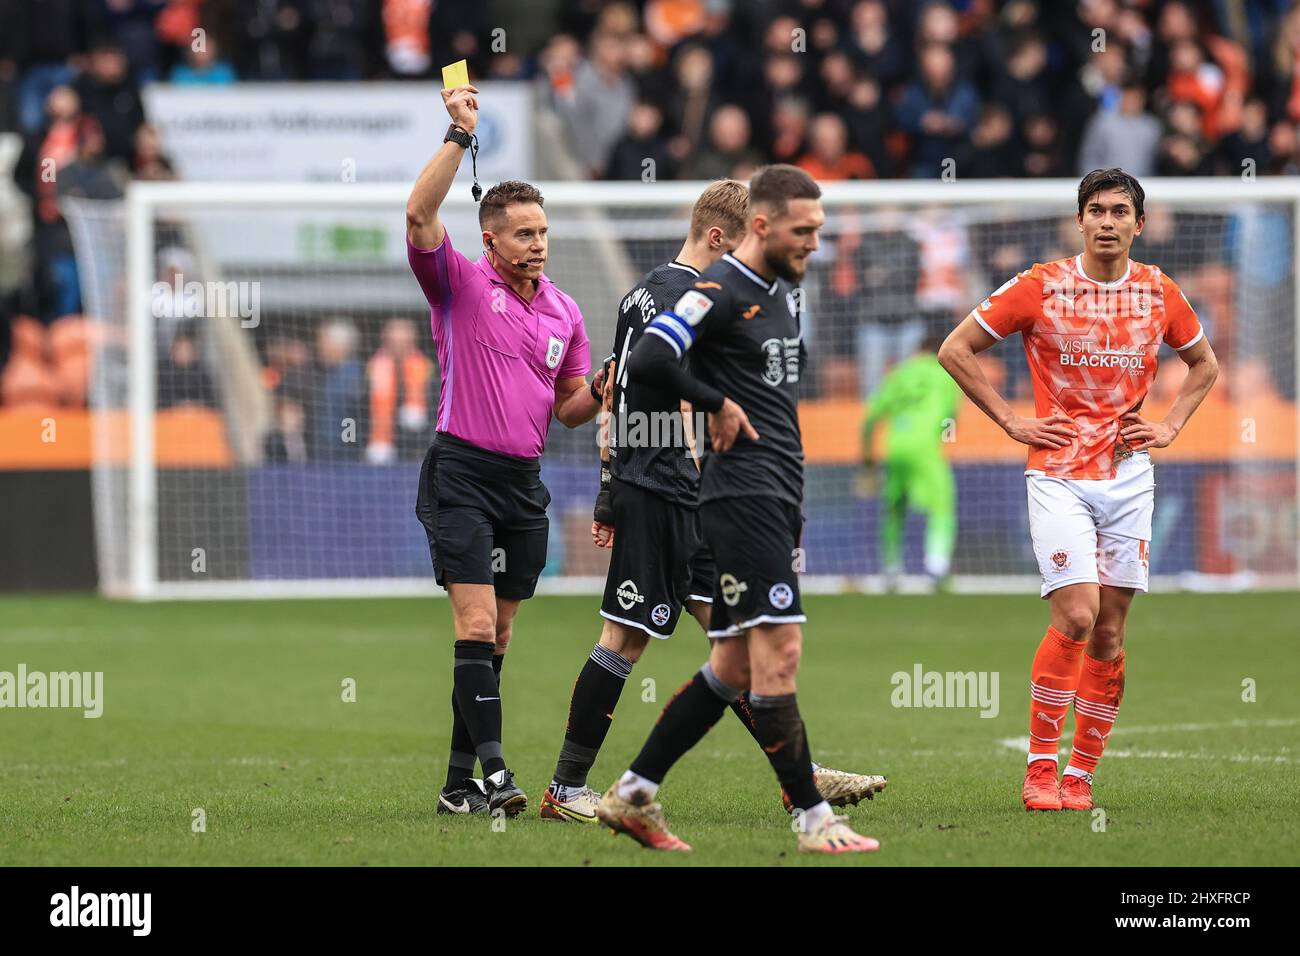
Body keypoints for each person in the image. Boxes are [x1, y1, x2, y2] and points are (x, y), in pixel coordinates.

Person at [540, 180, 886, 824]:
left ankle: (798, 778)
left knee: (735, 639)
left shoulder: (640, 292)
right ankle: (566, 787)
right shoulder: (688, 298)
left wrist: (610, 483)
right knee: (625, 638)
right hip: (671, 491)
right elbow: (662, 391)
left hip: (664, 488)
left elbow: (615, 398)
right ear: (722, 236)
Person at [937, 168, 1219, 811]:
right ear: (1081, 221)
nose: (1108, 221)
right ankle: (1040, 769)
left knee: (1111, 633)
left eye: (1121, 211)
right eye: (1097, 210)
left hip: (1128, 475)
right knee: (1077, 613)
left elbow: (1204, 363)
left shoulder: (1159, 292)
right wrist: (1011, 419)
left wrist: (1171, 425)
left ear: (1139, 225)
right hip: (1058, 470)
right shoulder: (1042, 285)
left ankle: (1080, 775)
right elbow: (956, 348)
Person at [405, 84, 608, 818]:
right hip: (460, 472)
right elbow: (419, 214)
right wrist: (458, 136)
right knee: (477, 625)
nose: (539, 243)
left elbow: (571, 410)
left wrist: (609, 388)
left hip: (524, 482)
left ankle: (457, 786)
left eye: (543, 231)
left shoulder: (566, 309)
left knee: (500, 638)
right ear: (489, 240)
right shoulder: (457, 283)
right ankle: (496, 774)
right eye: (523, 233)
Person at [860, 333, 961, 587]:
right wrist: (945, 440)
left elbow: (871, 419)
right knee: (941, 505)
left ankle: (891, 569)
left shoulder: (898, 374)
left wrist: (868, 460)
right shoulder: (945, 373)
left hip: (894, 448)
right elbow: (950, 417)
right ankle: (936, 566)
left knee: (894, 507)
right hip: (925, 448)